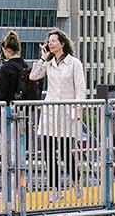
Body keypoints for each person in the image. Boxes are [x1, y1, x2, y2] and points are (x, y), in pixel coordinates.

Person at [29, 30, 88, 197]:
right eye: (49, 41)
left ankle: (76, 182)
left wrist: (78, 108)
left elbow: (80, 88)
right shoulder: (48, 64)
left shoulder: (74, 63)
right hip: (49, 113)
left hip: (66, 113)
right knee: (48, 153)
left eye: (54, 41)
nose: (50, 43)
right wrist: (43, 58)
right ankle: (55, 189)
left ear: (62, 43)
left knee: (64, 152)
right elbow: (33, 76)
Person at [0, 31, 35, 102]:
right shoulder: (26, 66)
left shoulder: (6, 68)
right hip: (23, 106)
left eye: (4, 51)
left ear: (8, 50)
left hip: (10, 106)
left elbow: (1, 95)